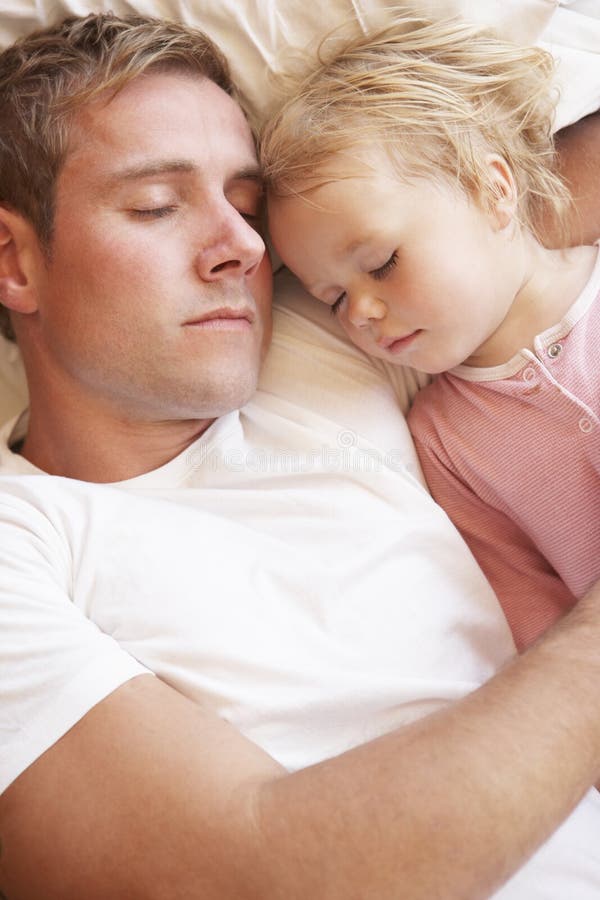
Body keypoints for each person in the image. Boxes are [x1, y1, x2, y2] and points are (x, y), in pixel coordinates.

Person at [1, 12, 600, 900]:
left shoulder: (336, 344)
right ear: (14, 257)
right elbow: (262, 875)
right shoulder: (25, 545)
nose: (245, 248)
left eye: (249, 211)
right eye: (157, 206)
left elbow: (481, 208)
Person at [261, 15, 599, 653]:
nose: (360, 311)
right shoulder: (446, 441)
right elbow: (533, 619)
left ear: (492, 190)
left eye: (382, 263)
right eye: (332, 299)